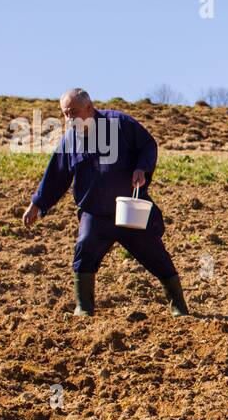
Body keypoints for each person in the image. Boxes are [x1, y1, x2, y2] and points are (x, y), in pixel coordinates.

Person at [22, 88, 188, 316]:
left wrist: (142, 168)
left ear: (89, 108)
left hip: (128, 209)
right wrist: (37, 204)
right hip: (94, 214)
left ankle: (178, 305)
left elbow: (148, 146)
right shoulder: (71, 140)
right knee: (84, 248)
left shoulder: (120, 124)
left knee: (155, 254)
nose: (69, 119)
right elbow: (56, 174)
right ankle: (84, 307)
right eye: (64, 114)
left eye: (73, 112)